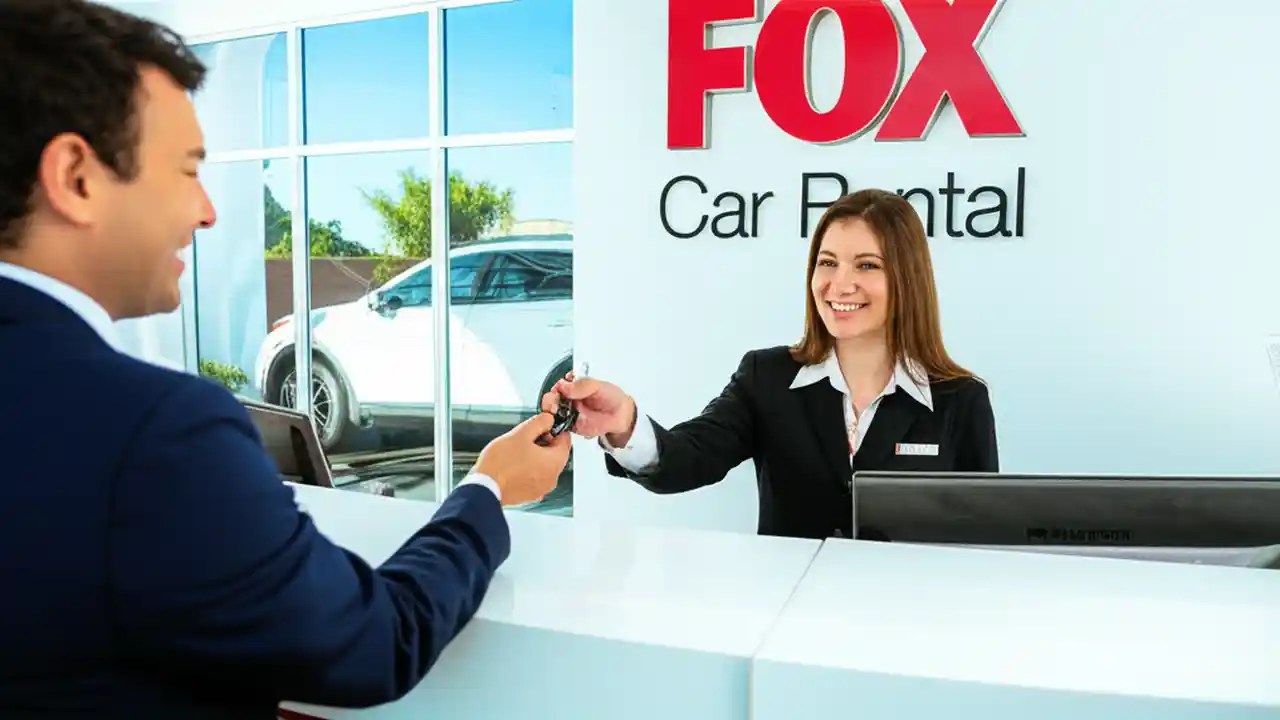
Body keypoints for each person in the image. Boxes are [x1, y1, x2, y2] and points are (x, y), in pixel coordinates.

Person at [0, 1, 571, 717]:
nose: (208, 212)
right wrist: (485, 488)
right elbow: (371, 644)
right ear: (77, 177)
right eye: (184, 171)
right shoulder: (157, 433)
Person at [545, 189, 998, 540]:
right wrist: (624, 422)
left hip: (905, 633)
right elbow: (690, 457)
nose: (840, 284)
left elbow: (980, 544)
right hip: (785, 634)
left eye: (866, 265)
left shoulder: (961, 401)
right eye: (827, 263)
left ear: (906, 279)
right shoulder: (767, 378)